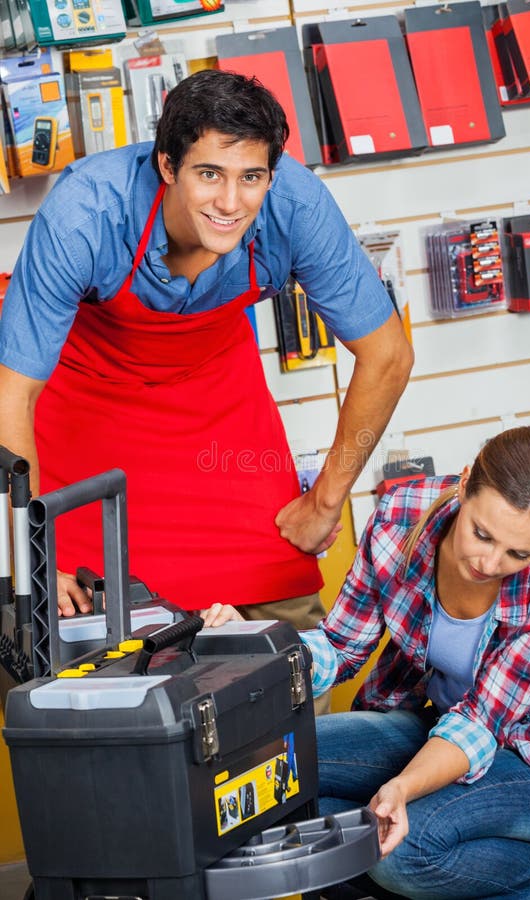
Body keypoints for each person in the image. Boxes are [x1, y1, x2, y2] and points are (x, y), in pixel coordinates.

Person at [0, 70, 413, 645]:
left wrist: (327, 499)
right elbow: (13, 394)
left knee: (291, 642)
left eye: (251, 177)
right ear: (168, 166)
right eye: (208, 174)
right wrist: (34, 560)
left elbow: (388, 355)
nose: (230, 201)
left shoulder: (296, 206)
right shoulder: (85, 212)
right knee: (60, 643)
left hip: (224, 431)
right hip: (85, 429)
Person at [205, 425, 530, 898]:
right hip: (438, 726)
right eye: (482, 534)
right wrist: (253, 647)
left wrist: (402, 789)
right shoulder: (400, 519)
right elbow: (341, 645)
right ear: (465, 483)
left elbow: (482, 722)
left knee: (402, 849)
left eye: (518, 553)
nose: (489, 563)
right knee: (286, 789)